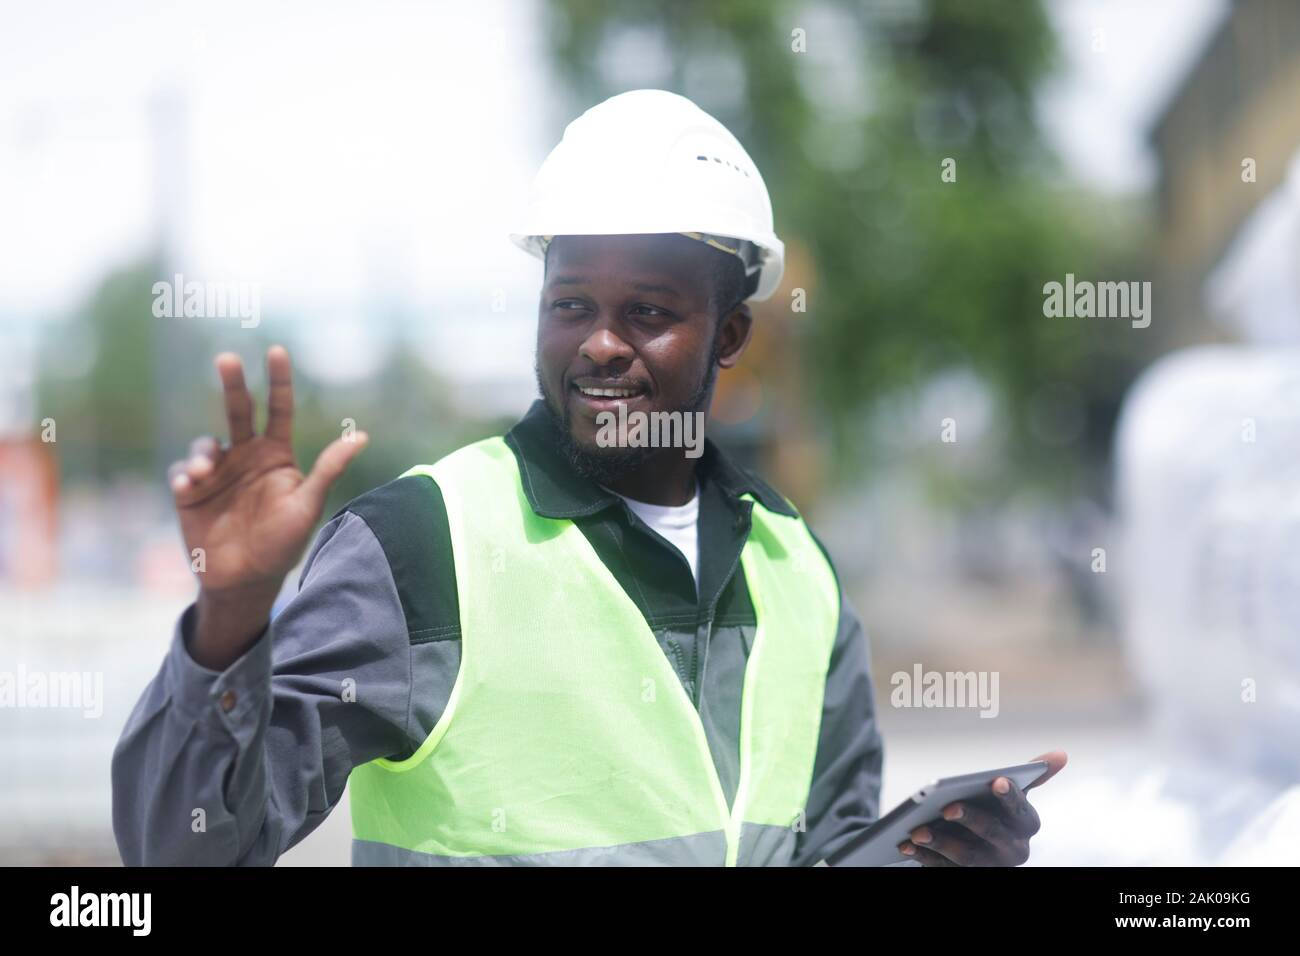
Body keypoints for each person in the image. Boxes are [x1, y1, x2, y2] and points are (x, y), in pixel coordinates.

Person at [112, 89, 1064, 866]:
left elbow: (827, 847)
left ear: (729, 334)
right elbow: (180, 853)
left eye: (647, 310)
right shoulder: (422, 547)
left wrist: (930, 859)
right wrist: (229, 623)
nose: (601, 343)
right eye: (571, 303)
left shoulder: (795, 569)